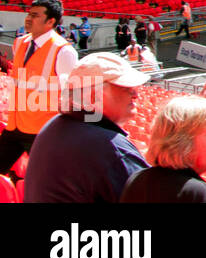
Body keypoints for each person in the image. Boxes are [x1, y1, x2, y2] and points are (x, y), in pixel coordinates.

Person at [24, 53, 149, 202]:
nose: (136, 94)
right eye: (126, 88)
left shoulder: (53, 126)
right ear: (93, 97)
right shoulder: (108, 148)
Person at [0, 0, 79, 176]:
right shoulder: (20, 43)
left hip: (41, 131)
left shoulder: (63, 51)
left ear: (50, 21)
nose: (28, 18)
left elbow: (72, 92)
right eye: (29, 14)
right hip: (15, 125)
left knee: (45, 181)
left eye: (35, 15)